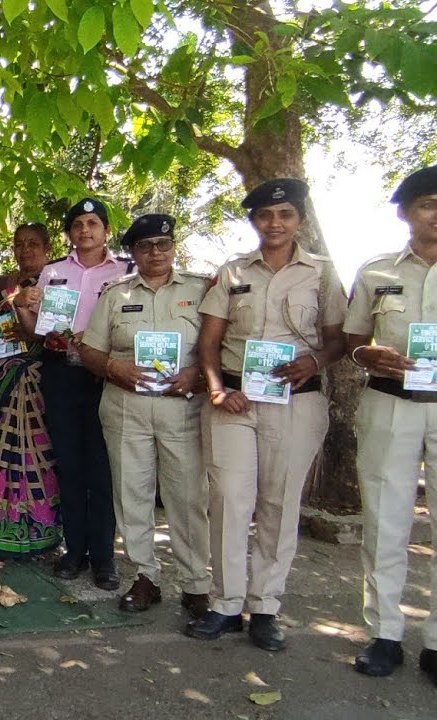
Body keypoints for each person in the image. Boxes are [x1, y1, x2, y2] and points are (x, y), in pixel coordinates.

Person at [187, 178, 347, 651]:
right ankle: (224, 604)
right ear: (254, 221)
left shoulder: (321, 273)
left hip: (296, 402)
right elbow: (209, 343)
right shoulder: (233, 272)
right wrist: (216, 390)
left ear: (299, 220)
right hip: (234, 401)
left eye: (285, 215)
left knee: (280, 504)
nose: (274, 223)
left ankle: (265, 607)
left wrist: (313, 360)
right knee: (230, 501)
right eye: (264, 216)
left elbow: (339, 338)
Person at [79, 214, 211, 618]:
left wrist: (197, 375)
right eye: (145, 246)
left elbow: (218, 349)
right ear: (133, 253)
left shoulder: (201, 291)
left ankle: (196, 585)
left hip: (182, 409)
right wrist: (114, 369)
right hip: (126, 408)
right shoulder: (115, 294)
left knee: (188, 498)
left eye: (163, 244)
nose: (155, 252)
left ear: (174, 247)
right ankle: (145, 576)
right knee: (132, 495)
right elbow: (89, 350)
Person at [342, 165, 437, 683]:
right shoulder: (377, 271)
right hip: (390, 403)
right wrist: (368, 355)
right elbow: (353, 341)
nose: (436, 215)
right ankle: (386, 633)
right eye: (427, 204)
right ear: (406, 213)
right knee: (385, 520)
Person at [17, 198, 130, 590]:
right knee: (67, 463)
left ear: (106, 230)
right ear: (69, 232)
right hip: (60, 373)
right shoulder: (52, 273)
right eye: (78, 224)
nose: (85, 230)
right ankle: (74, 550)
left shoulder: (125, 273)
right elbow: (35, 331)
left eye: (93, 223)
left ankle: (103, 558)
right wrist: (22, 307)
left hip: (105, 378)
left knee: (101, 468)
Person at [0, 223, 63, 558]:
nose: (25, 250)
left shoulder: (58, 282)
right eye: (19, 244)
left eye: (33, 244)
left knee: (41, 454)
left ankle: (43, 533)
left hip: (42, 379)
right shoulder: (0, 286)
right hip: (4, 380)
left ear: (47, 247)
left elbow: (57, 332)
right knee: (4, 451)